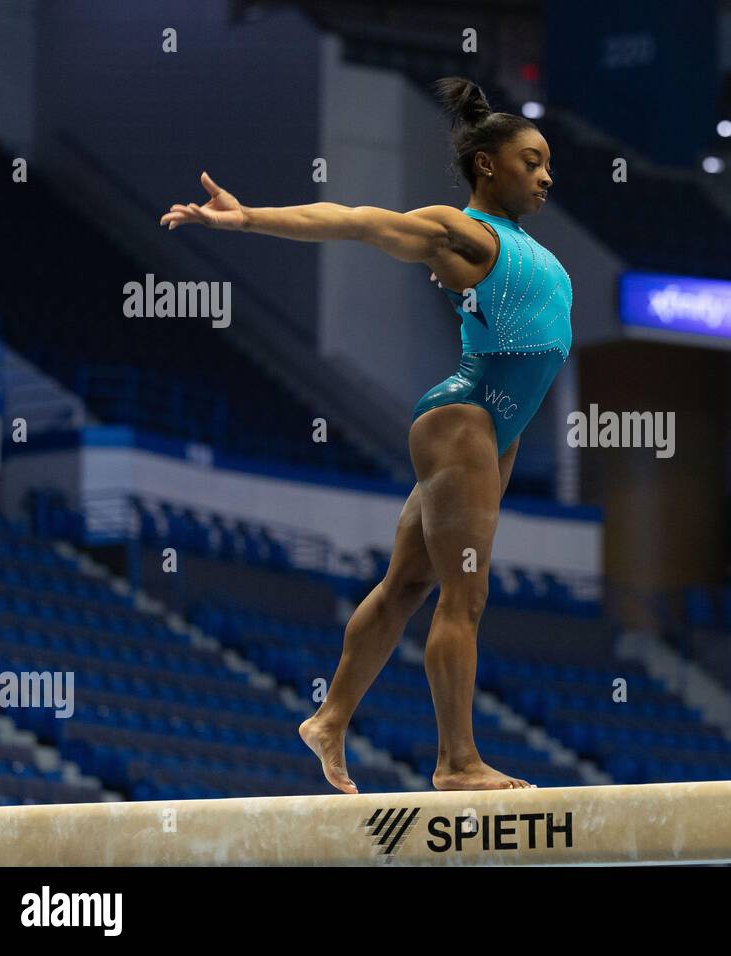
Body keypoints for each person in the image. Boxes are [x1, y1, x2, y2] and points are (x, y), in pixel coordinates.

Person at [159, 77, 571, 792]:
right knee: (464, 598)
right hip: (465, 419)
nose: (545, 174)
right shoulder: (461, 233)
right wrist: (248, 218)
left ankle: (330, 718)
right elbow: (353, 220)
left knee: (409, 581)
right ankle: (456, 762)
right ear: (487, 166)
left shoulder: (512, 241)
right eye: (530, 161)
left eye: (545, 163)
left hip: (491, 429)